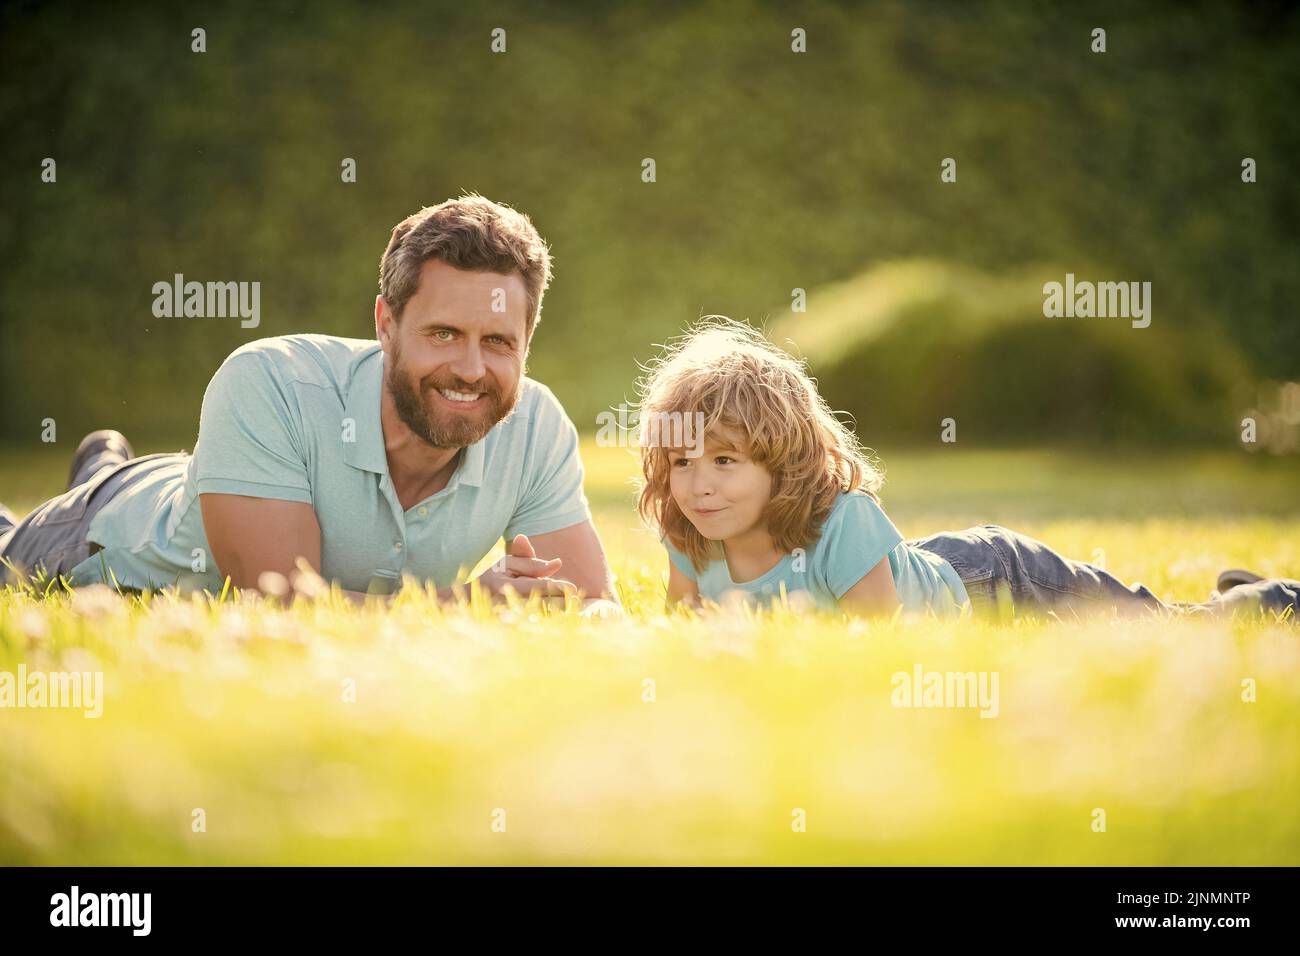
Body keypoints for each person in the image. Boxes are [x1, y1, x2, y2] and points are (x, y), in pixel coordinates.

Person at [0, 194, 619, 611]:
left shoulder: (536, 424)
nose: (470, 368)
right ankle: (102, 474)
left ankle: (104, 460)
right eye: (443, 334)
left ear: (527, 341)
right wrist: (471, 605)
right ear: (385, 323)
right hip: (96, 535)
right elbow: (280, 603)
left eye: (497, 342)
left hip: (224, 478)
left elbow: (593, 605)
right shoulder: (268, 381)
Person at [635, 318, 1300, 621]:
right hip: (922, 566)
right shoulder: (692, 534)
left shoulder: (841, 524)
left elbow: (880, 648)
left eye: (725, 460)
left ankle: (1267, 601)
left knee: (1169, 633)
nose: (701, 484)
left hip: (998, 579)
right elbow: (683, 631)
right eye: (683, 462)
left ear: (781, 462)